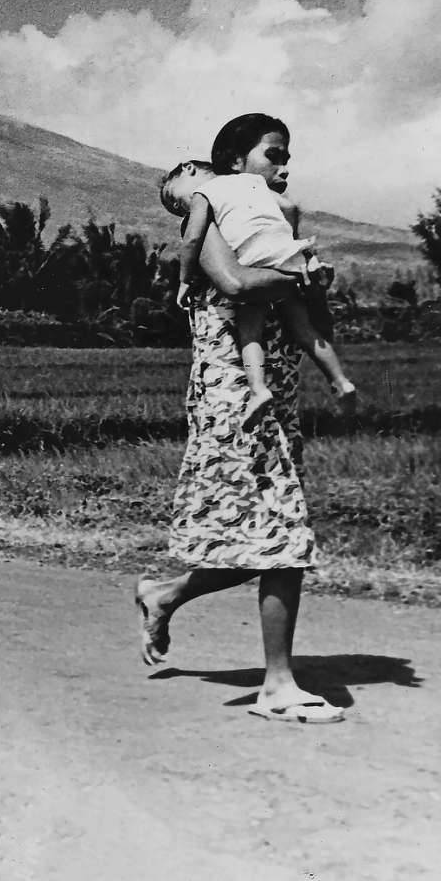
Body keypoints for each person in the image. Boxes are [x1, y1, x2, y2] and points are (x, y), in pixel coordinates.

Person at [136, 114, 345, 725]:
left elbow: (315, 322)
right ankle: (277, 686)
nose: (283, 165)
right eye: (273, 154)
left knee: (264, 532)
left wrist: (313, 283)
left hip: (276, 394)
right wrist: (300, 271)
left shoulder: (272, 225)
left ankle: (165, 594)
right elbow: (234, 283)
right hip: (235, 397)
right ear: (232, 164)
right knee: (282, 533)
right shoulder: (207, 224)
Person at [162, 138, 356, 428]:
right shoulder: (251, 182)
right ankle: (340, 381)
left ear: (188, 168)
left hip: (256, 265)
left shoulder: (204, 194)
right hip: (289, 256)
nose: (182, 209)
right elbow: (289, 207)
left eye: (176, 201)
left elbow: (192, 241)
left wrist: (184, 280)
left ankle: (258, 389)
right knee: (305, 330)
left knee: (249, 334)